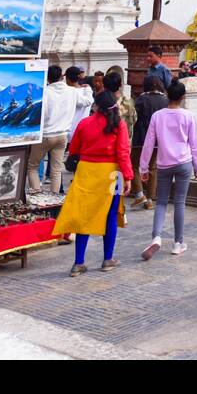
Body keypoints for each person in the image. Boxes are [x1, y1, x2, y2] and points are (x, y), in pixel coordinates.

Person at [54, 90, 133, 276]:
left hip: (86, 171)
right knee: (111, 215)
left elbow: (74, 149)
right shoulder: (119, 125)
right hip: (113, 174)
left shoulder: (84, 123)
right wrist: (128, 177)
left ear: (96, 105)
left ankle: (78, 263)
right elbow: (123, 153)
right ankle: (107, 259)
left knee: (84, 216)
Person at [140, 80, 197, 259]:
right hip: (184, 162)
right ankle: (177, 243)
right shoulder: (188, 116)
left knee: (161, 202)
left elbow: (149, 143)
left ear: (167, 95)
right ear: (183, 97)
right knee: (180, 202)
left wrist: (143, 167)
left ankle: (156, 237)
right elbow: (194, 143)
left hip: (164, 163)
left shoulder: (157, 116)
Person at [29, 64, 74, 194]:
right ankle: (54, 197)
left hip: (46, 134)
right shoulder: (72, 91)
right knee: (56, 170)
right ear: (61, 76)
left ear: (47, 78)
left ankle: (37, 193)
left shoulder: (45, 92)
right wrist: (86, 89)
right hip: (62, 135)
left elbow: (40, 114)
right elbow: (86, 101)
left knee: (32, 167)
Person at [132, 76, 168, 209]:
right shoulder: (164, 100)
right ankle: (150, 199)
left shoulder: (142, 99)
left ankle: (139, 194)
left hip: (141, 137)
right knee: (153, 168)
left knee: (134, 165)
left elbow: (134, 117)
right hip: (157, 139)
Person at [65, 66, 94, 141]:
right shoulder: (87, 92)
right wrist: (88, 89)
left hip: (69, 133)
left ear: (67, 78)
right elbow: (89, 101)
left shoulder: (69, 92)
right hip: (83, 131)